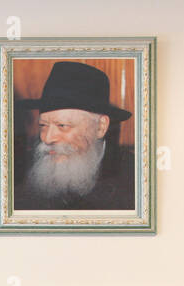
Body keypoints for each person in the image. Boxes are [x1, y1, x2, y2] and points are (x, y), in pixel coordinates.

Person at [13, 61, 135, 211]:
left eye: (62, 126)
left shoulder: (134, 181)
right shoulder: (21, 177)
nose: (47, 138)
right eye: (43, 126)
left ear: (100, 127)